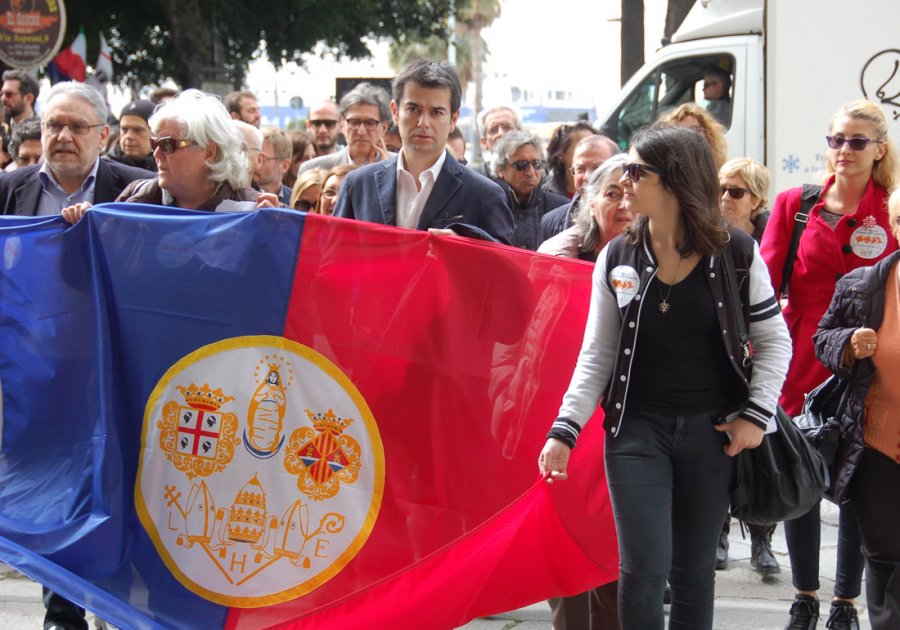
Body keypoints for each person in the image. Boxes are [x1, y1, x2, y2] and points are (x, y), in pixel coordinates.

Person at [538, 125, 791, 629]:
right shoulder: (617, 256)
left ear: (674, 181)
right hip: (635, 432)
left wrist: (755, 417)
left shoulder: (734, 253)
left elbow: (774, 341)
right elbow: (598, 354)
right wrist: (564, 429)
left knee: (695, 573)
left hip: (711, 434)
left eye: (636, 171)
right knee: (644, 569)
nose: (624, 179)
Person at [760, 98, 899, 630]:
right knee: (800, 478)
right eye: (836, 139)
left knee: (856, 488)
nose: (844, 150)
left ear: (879, 149)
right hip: (801, 361)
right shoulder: (796, 204)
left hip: (867, 368)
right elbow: (767, 288)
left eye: (857, 141)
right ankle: (804, 597)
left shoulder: (891, 207)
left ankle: (845, 603)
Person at [814, 186, 900, 630]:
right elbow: (821, 339)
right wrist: (847, 345)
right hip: (879, 444)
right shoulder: (864, 285)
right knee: (885, 560)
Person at [334, 59, 513, 244]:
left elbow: (502, 264)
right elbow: (333, 261)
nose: (423, 123)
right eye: (413, 109)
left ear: (453, 119)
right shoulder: (358, 185)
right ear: (395, 111)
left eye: (436, 112)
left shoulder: (484, 194)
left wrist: (464, 250)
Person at [60, 89, 277, 223]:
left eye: (167, 145)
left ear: (209, 152)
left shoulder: (256, 211)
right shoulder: (136, 198)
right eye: (154, 143)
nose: (156, 153)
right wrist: (86, 226)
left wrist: (279, 230)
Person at [714, 156, 781, 576]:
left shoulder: (771, 235)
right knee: (721, 451)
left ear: (756, 199)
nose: (725, 198)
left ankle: (762, 543)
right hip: (726, 365)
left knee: (760, 460)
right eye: (721, 188)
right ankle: (718, 537)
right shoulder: (708, 235)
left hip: (764, 357)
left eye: (736, 192)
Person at [0, 81, 153, 217]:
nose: (64, 137)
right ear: (42, 131)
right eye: (54, 126)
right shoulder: (6, 188)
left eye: (78, 127)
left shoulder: (143, 189)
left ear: (102, 136)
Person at [494, 129, 568, 250]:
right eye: (521, 164)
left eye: (537, 164)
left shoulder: (562, 209)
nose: (530, 172)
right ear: (500, 170)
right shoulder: (488, 206)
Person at [299, 83, 392, 174]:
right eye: (354, 122)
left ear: (384, 128)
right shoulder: (314, 169)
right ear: (342, 126)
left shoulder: (397, 167)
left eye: (370, 123)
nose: (361, 131)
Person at [540, 134, 619, 242]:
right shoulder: (551, 223)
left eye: (597, 168)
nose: (587, 176)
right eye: (580, 169)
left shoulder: (633, 218)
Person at [660, 103, 728, 171]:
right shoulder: (666, 171)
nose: (689, 135)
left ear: (706, 133)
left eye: (695, 130)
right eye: (682, 131)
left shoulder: (722, 170)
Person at [543, 121, 597, 197]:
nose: (590, 151)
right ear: (561, 154)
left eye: (593, 146)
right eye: (581, 146)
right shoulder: (545, 196)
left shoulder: (608, 190)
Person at [107, 99, 157, 171]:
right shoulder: (104, 169)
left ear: (155, 133)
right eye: (124, 129)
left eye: (137, 130)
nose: (128, 136)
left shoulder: (168, 170)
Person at [476, 105, 521, 178]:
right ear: (484, 142)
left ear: (521, 135)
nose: (501, 133)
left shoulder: (537, 175)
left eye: (507, 127)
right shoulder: (474, 180)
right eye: (493, 130)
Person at [255, 126, 293, 205]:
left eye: (262, 159)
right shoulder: (241, 197)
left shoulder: (295, 201)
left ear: (284, 166)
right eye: (254, 157)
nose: (256, 164)